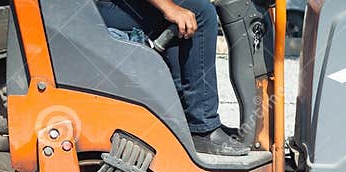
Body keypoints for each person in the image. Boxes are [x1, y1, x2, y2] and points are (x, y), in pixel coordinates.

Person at [97, 0, 250, 156]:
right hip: (101, 10)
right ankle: (202, 128)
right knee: (200, 12)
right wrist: (169, 8)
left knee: (187, 10)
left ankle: (186, 121)